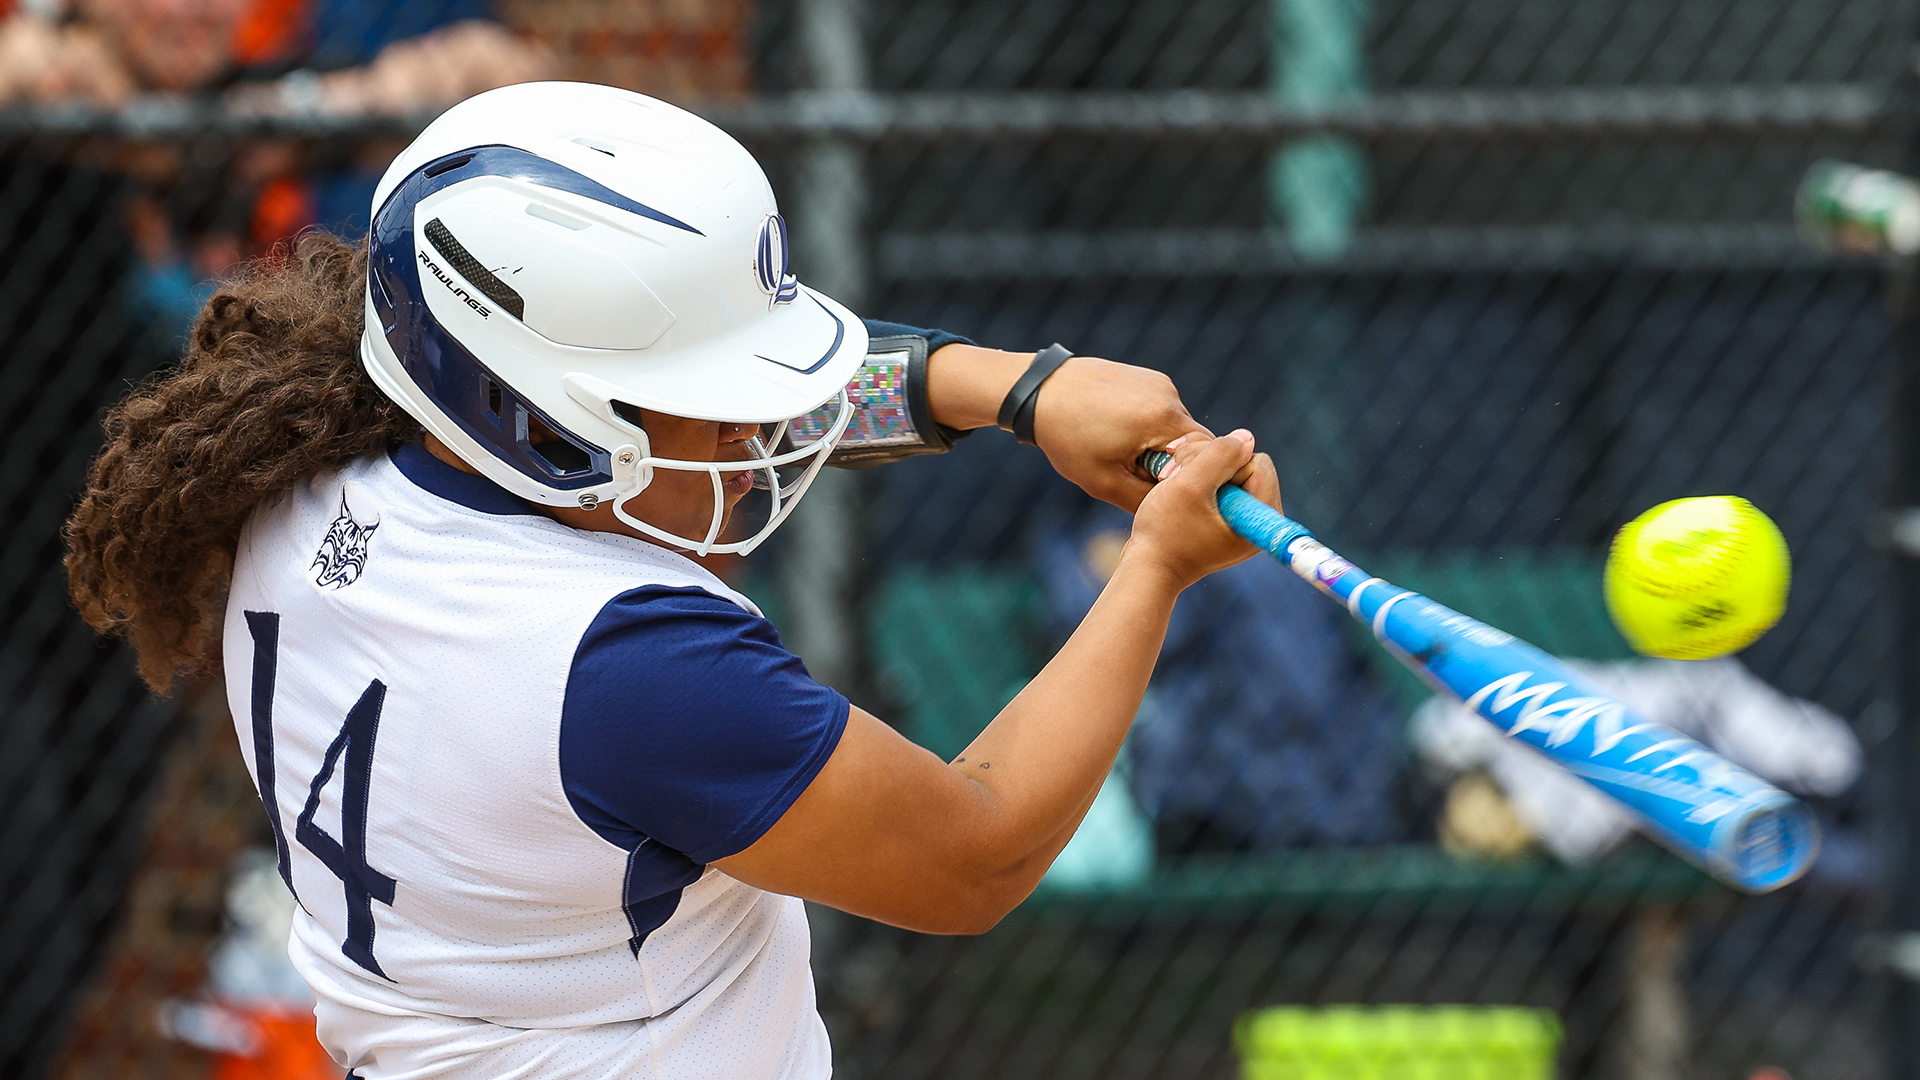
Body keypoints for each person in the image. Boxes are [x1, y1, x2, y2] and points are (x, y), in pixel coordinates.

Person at [64, 82, 1281, 1080]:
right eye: (707, 407)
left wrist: (1021, 390)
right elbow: (976, 854)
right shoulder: (630, 663)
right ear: (538, 426)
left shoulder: (310, 472)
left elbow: (713, 418)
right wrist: (1157, 567)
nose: (753, 436)